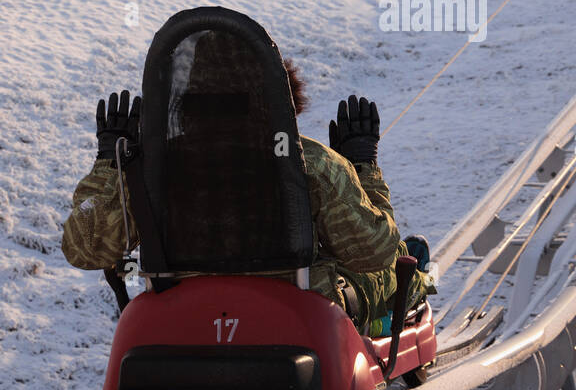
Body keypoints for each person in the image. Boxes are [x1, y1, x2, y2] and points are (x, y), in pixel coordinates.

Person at [60, 59, 436, 332]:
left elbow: (86, 249)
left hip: (183, 319)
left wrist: (111, 163)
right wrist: (361, 169)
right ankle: (414, 280)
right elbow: (373, 251)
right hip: (294, 317)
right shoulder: (310, 162)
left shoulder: (151, 170)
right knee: (386, 267)